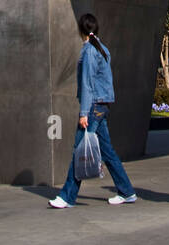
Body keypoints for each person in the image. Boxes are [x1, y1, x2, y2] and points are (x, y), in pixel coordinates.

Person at [49, 13, 137, 209]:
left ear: (81, 30)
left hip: (94, 106)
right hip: (102, 105)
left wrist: (83, 113)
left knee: (79, 149)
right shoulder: (102, 49)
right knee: (107, 151)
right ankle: (127, 191)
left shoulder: (89, 50)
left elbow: (88, 84)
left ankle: (67, 196)